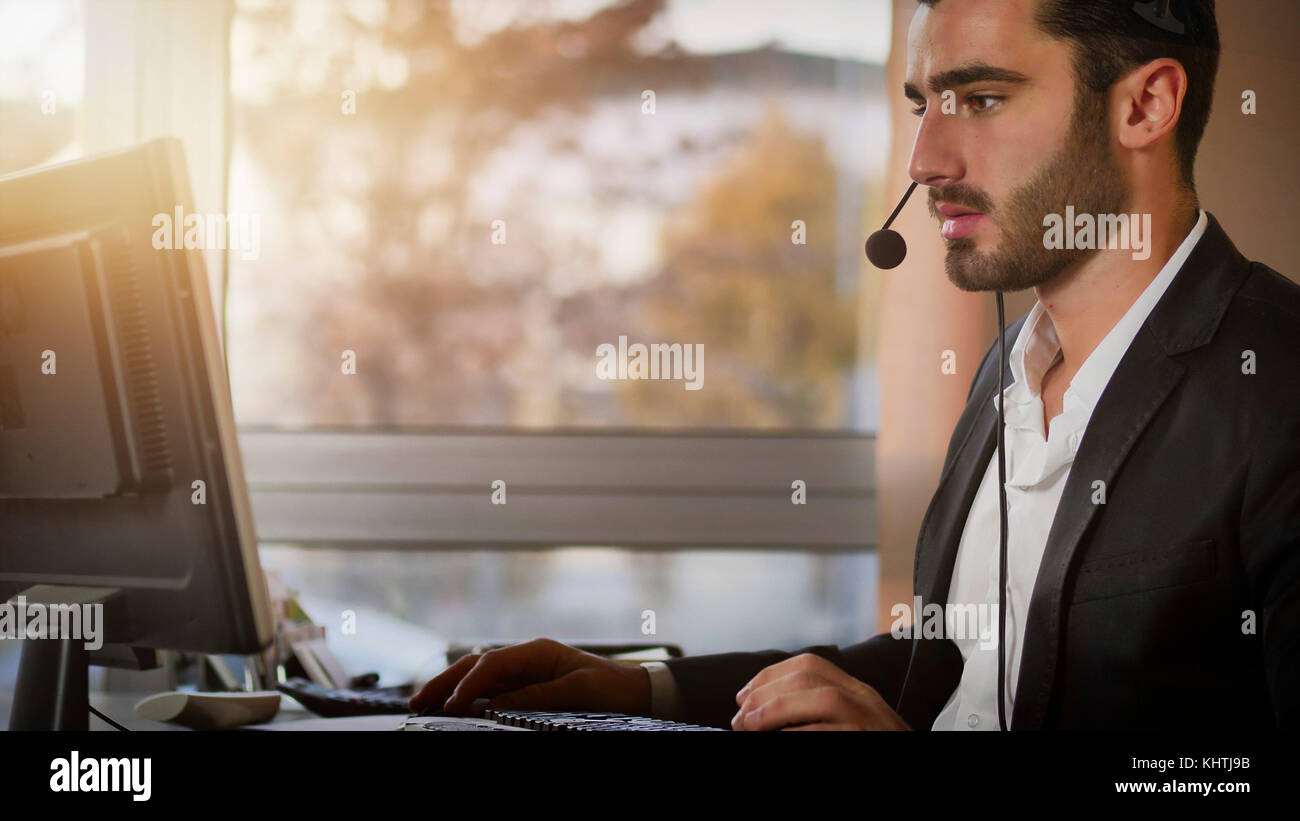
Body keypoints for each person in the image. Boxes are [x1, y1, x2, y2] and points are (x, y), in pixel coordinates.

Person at [410, 0, 1299, 730]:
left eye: (980, 98)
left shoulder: (1279, 384)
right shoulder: (1010, 369)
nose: (926, 161)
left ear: (1144, 105)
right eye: (923, 104)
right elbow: (951, 662)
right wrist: (642, 687)